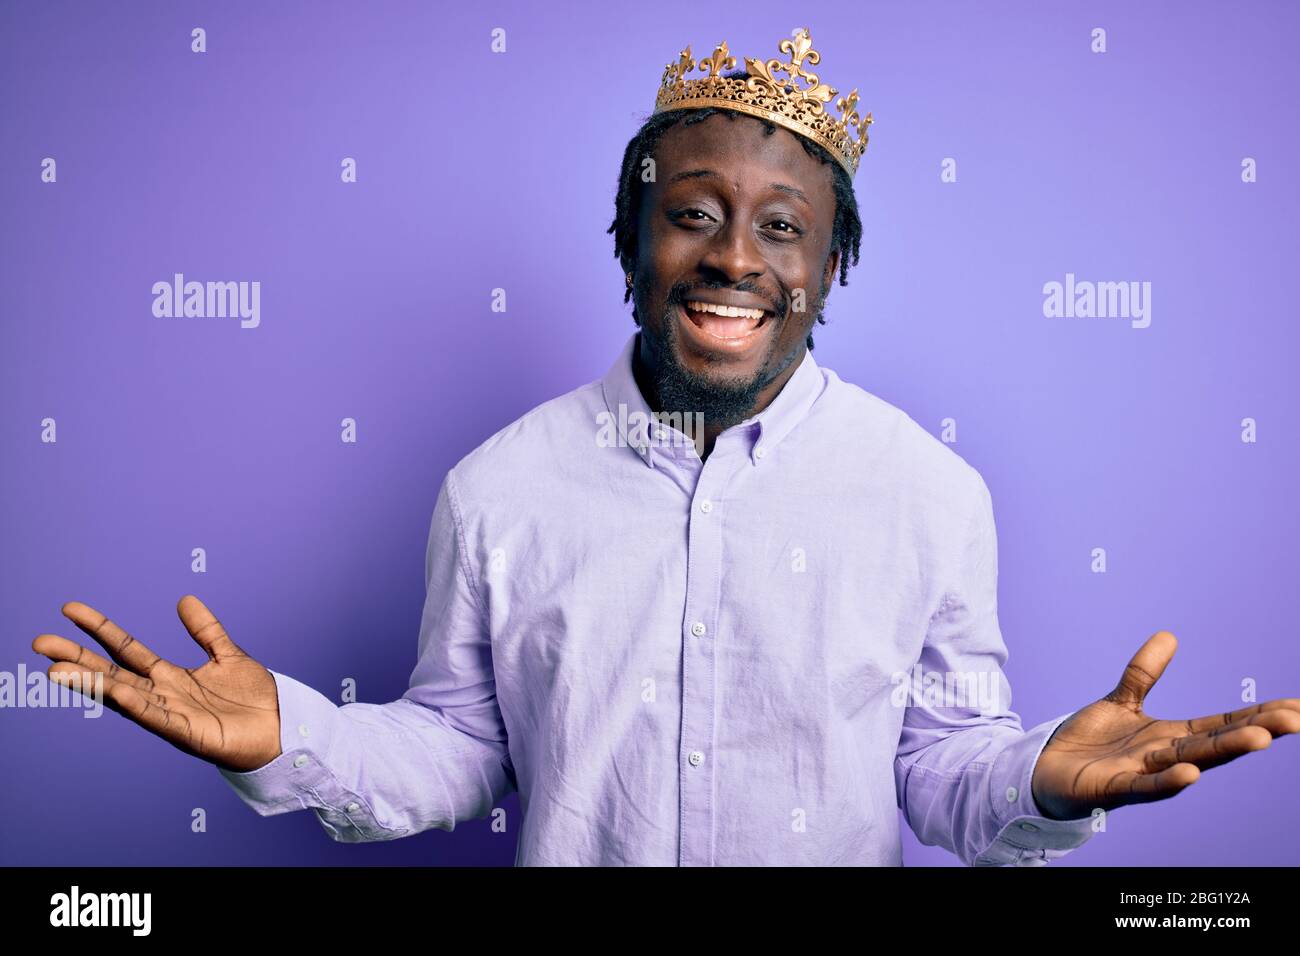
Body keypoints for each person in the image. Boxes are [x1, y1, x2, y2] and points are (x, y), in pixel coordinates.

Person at [33, 29, 1299, 866]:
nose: (735, 256)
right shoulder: (497, 488)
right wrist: (292, 737)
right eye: (690, 214)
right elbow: (464, 747)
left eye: (782, 228)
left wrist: (1041, 778)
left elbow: (933, 770)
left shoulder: (930, 492)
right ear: (629, 243)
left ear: (830, 264)